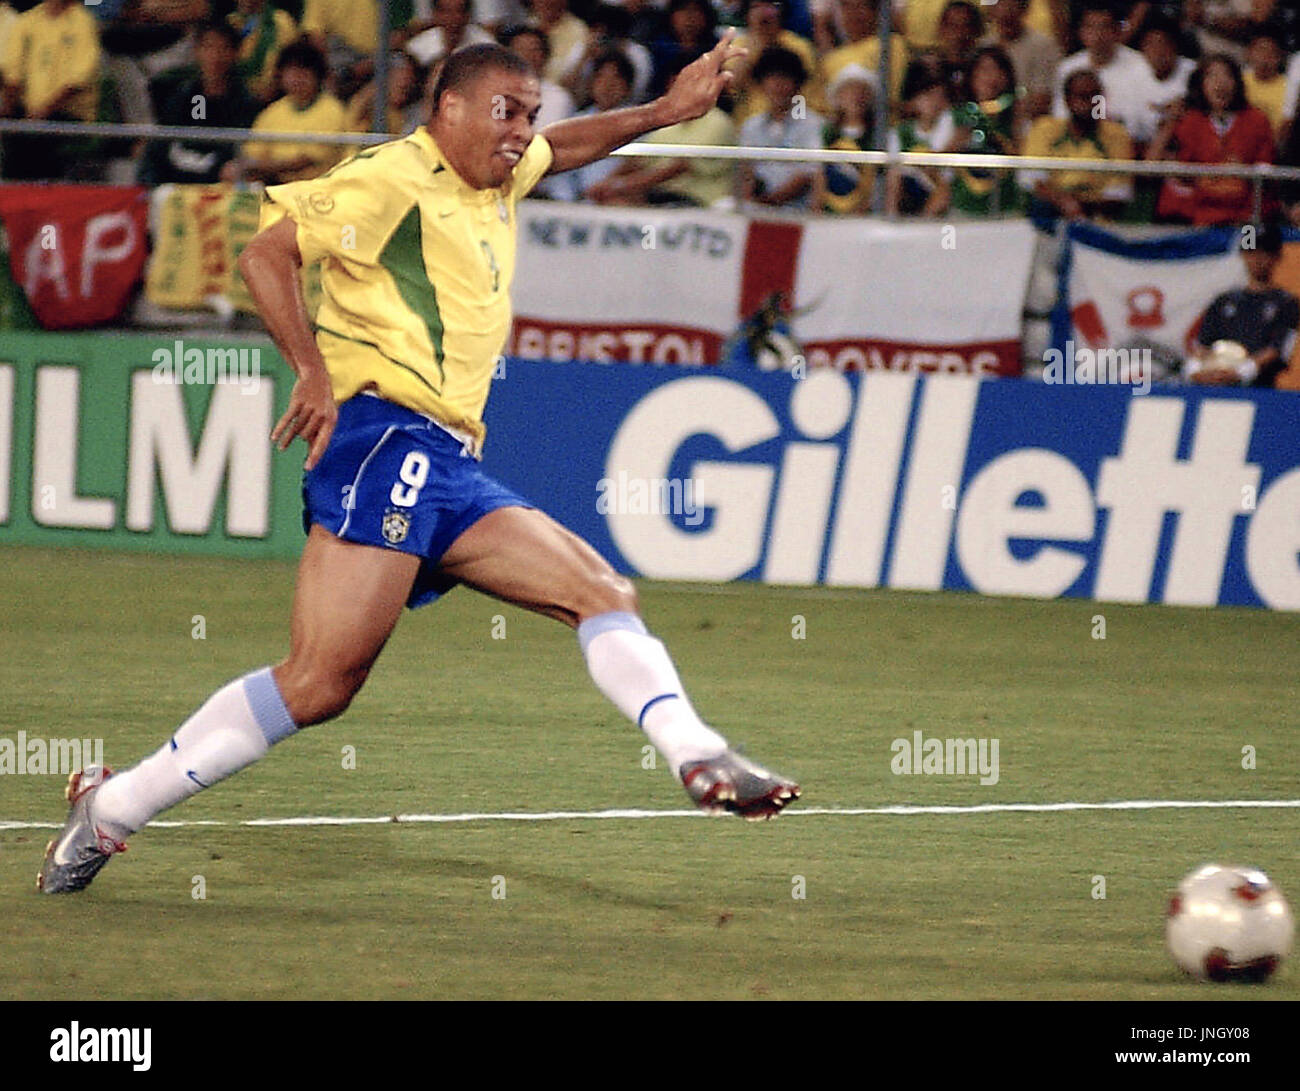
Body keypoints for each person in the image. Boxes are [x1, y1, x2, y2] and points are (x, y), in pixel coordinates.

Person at [37, 35, 800, 896]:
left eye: (531, 115)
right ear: (448, 109)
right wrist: (314, 371)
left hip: (449, 458)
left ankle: (699, 755)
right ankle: (110, 811)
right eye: (505, 113)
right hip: (383, 440)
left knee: (599, 593)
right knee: (319, 682)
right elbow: (266, 253)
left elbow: (571, 144)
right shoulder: (390, 176)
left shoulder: (499, 173)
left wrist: (666, 112)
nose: (523, 133)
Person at [1148, 52, 1275, 226]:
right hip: (1198, 217)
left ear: (1237, 83)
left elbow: (1266, 172)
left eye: (1227, 75)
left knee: (1250, 246)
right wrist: (1171, 121)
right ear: (1200, 84)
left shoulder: (1257, 120)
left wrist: (1243, 172)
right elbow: (1153, 164)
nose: (1220, 82)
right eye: (1212, 75)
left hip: (1245, 217)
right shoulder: (1190, 121)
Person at [139, 20, 260, 184]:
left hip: (220, 183)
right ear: (197, 51)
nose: (215, 56)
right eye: (209, 47)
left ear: (235, 53)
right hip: (176, 180)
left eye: (223, 48)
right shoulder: (185, 96)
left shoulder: (245, 101)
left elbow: (237, 151)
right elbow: (163, 142)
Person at [1186, 222, 1298, 387]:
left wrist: (1241, 371)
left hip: (1260, 387)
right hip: (1215, 382)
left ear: (1277, 256)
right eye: (1251, 252)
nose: (1257, 258)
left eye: (1264, 252)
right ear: (1243, 255)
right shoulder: (1224, 300)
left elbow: (1279, 349)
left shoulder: (1286, 303)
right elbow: (1203, 343)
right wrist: (1196, 369)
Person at [0, 0, 101, 181]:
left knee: (35, 144)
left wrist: (43, 111)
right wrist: (9, 110)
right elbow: (12, 72)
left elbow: (80, 79)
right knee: (15, 138)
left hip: (66, 112)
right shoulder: (27, 21)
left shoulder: (83, 22)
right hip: (27, 112)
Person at [1020, 67, 1134, 221]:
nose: (1089, 103)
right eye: (1082, 96)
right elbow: (1033, 180)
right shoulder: (1044, 128)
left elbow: (1118, 192)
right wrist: (1064, 201)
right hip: (1053, 209)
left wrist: (1080, 206)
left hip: (1097, 212)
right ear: (1068, 100)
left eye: (1095, 97)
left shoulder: (1117, 134)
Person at [230, 38, 348, 184]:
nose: (297, 77)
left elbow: (305, 161)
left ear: (318, 75)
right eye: (291, 71)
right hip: (274, 183)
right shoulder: (273, 111)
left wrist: (260, 167)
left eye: (304, 70)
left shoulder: (332, 110)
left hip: (317, 187)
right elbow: (253, 153)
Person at [737, 46, 825, 209]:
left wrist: (771, 201)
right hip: (757, 207)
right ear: (762, 84)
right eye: (772, 78)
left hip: (798, 209)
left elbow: (809, 174)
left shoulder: (813, 124)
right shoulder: (751, 125)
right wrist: (753, 200)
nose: (778, 85)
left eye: (785, 79)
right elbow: (746, 171)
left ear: (797, 85)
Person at [885, 58, 955, 216]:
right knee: (894, 177)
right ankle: (891, 219)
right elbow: (894, 172)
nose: (935, 102)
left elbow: (945, 177)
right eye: (928, 96)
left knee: (944, 188)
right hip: (909, 189)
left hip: (940, 190)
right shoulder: (900, 132)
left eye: (941, 97)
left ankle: (925, 223)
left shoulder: (951, 129)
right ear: (915, 100)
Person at [979, 0, 1060, 120]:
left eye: (1011, 3)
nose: (1006, 10)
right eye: (1000, 3)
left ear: (1024, 8)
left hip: (1028, 123)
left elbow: (1042, 99)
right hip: (985, 119)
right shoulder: (983, 46)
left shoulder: (1043, 47)